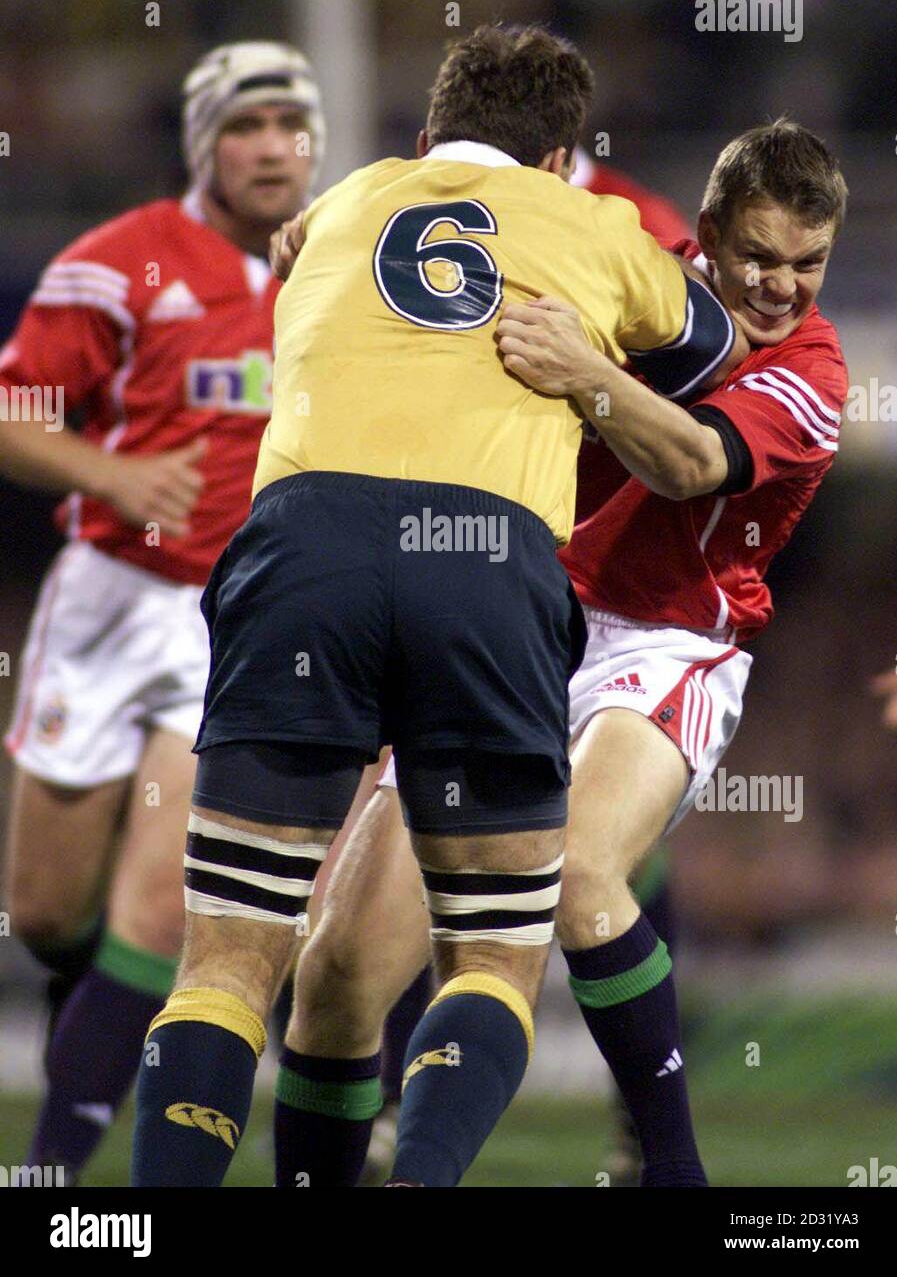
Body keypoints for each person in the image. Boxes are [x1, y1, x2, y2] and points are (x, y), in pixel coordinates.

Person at [129, 22, 741, 1188]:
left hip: (304, 545)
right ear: (563, 154)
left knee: (227, 962)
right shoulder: (597, 225)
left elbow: (309, 312)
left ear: (424, 136)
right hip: (484, 559)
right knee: (492, 959)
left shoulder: (350, 200)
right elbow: (709, 350)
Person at [273, 118, 848, 1187]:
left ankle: (672, 1169)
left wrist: (586, 371)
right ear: (709, 231)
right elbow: (480, 219)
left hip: (675, 643)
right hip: (521, 618)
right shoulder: (629, 267)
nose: (781, 287)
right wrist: (335, 224)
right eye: (760, 257)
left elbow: (688, 462)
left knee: (575, 872)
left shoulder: (812, 369)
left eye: (808, 263)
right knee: (343, 965)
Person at [0, 40, 324, 1183]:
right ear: (205, 145)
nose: (274, 147)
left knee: (158, 904)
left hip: (234, 619)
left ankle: (51, 1176)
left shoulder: (343, 268)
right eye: (248, 126)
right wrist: (110, 474)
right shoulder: (119, 264)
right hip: (105, 600)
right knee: (42, 910)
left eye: (292, 124)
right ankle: (84, 1007)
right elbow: (12, 411)